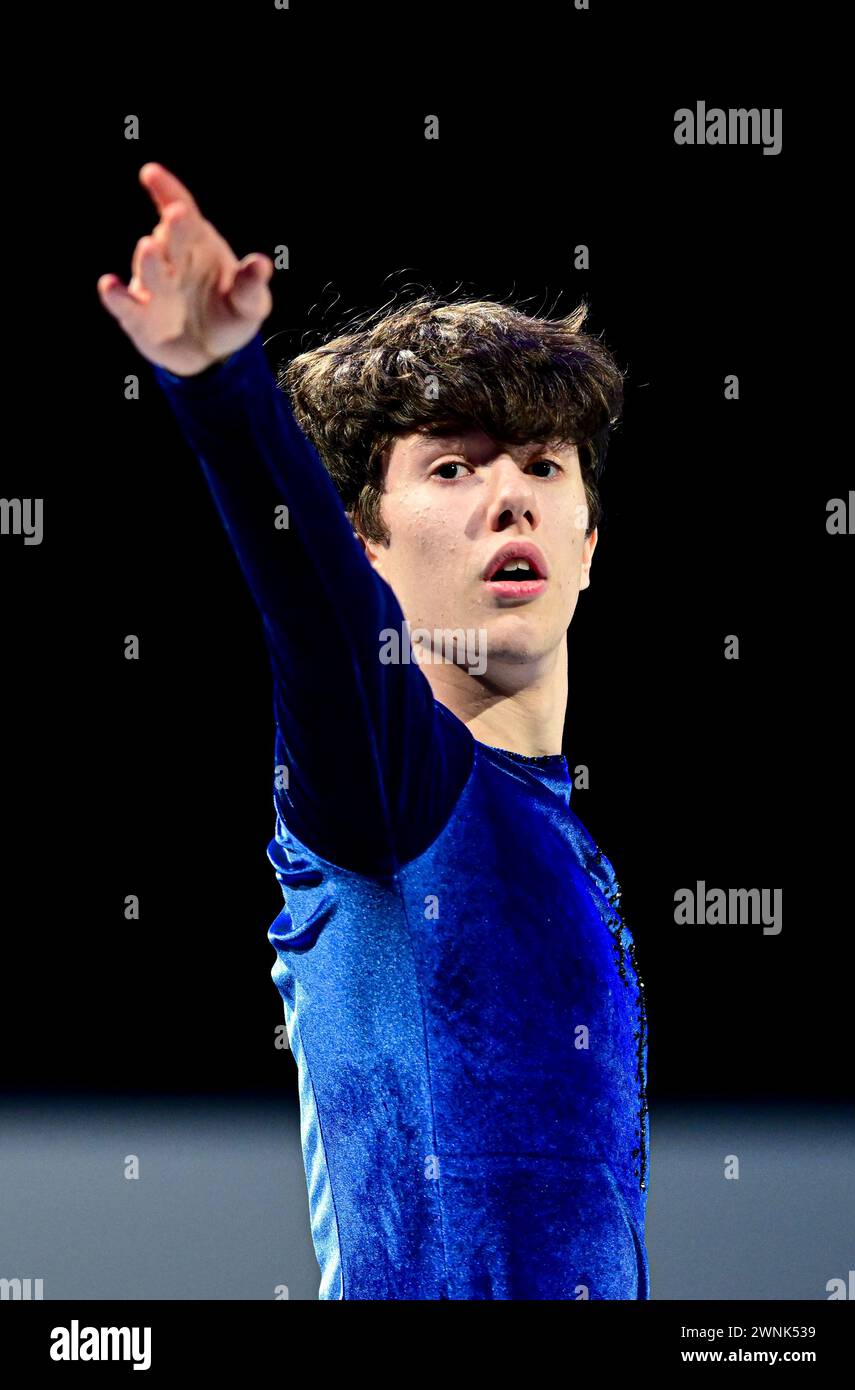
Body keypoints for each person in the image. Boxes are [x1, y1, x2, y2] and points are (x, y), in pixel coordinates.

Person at [97, 162, 649, 1300]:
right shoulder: (389, 792)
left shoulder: (562, 838)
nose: (511, 496)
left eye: (544, 464)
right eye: (452, 465)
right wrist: (218, 384)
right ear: (365, 547)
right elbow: (317, 618)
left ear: (589, 541)